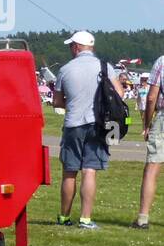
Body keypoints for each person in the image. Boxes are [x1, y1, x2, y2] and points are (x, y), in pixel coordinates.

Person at [52, 30, 126, 229]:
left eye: (71, 46)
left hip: (73, 124)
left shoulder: (65, 70)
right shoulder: (105, 67)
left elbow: (57, 102)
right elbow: (119, 94)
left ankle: (64, 216)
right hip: (98, 123)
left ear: (76, 47)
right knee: (90, 170)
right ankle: (85, 218)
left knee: (69, 172)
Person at [131, 55, 164, 229]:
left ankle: (143, 218)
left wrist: (147, 124)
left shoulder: (162, 61)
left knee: (152, 168)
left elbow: (151, 97)